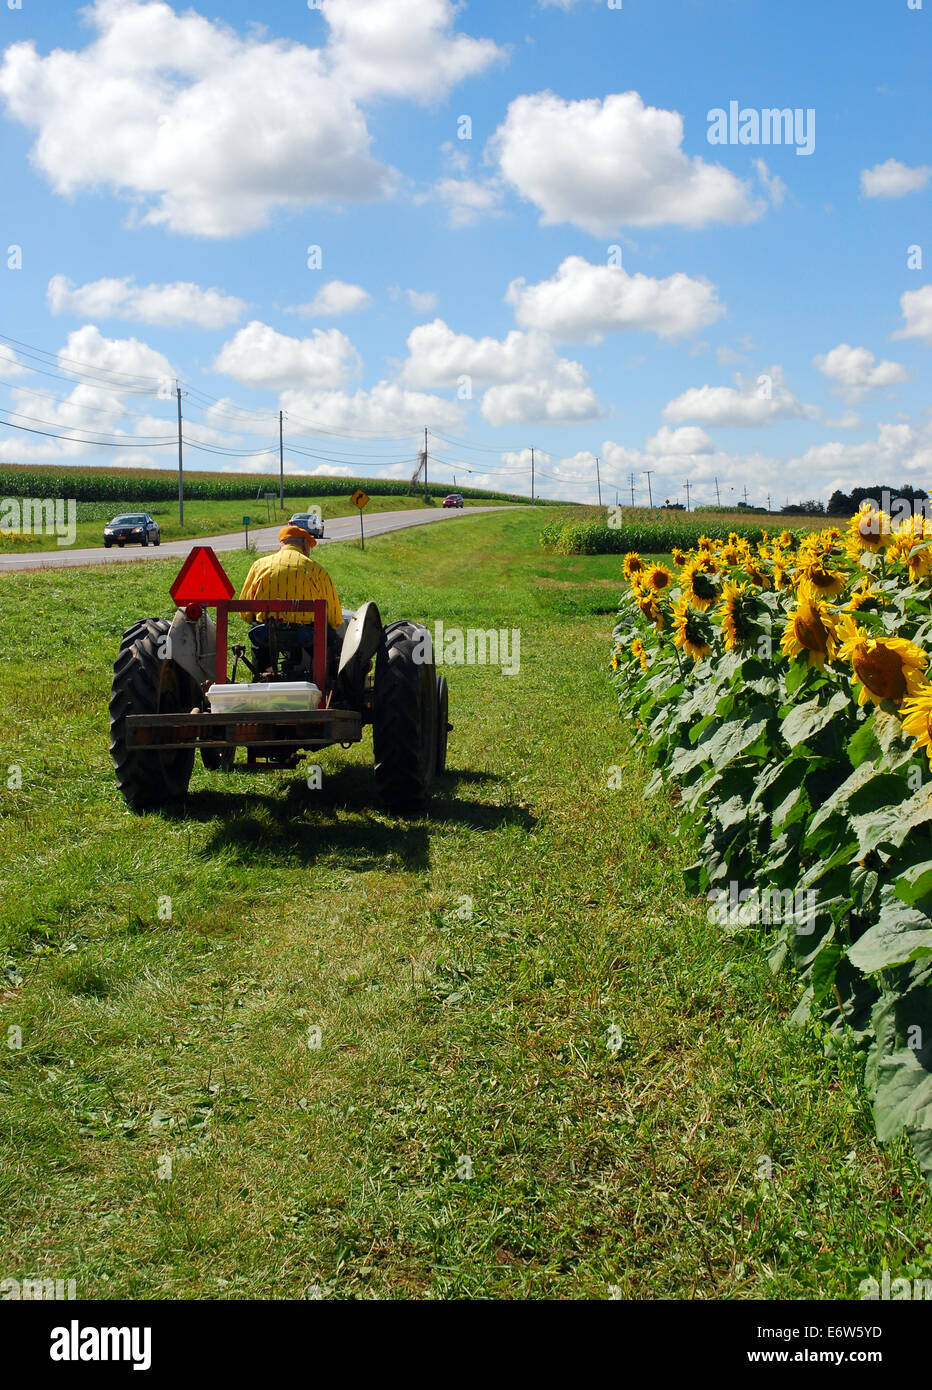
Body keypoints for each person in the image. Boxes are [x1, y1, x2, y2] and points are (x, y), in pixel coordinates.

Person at [239, 524, 342, 675]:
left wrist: (253, 619)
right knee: (331, 644)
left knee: (259, 643)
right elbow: (334, 617)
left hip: (266, 630)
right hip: (305, 632)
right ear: (304, 545)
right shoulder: (316, 570)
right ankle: (327, 681)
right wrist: (333, 625)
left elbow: (245, 611)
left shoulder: (259, 565)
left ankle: (261, 675)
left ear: (282, 544)